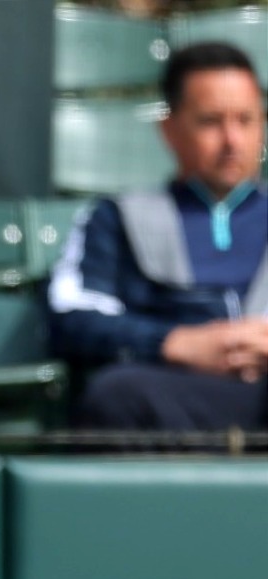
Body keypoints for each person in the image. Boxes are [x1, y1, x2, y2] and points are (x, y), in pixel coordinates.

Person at [49, 42, 268, 432]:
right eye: (211, 122)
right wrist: (172, 342)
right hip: (172, 391)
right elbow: (71, 317)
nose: (232, 140)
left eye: (245, 120)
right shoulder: (118, 218)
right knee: (114, 396)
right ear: (169, 129)